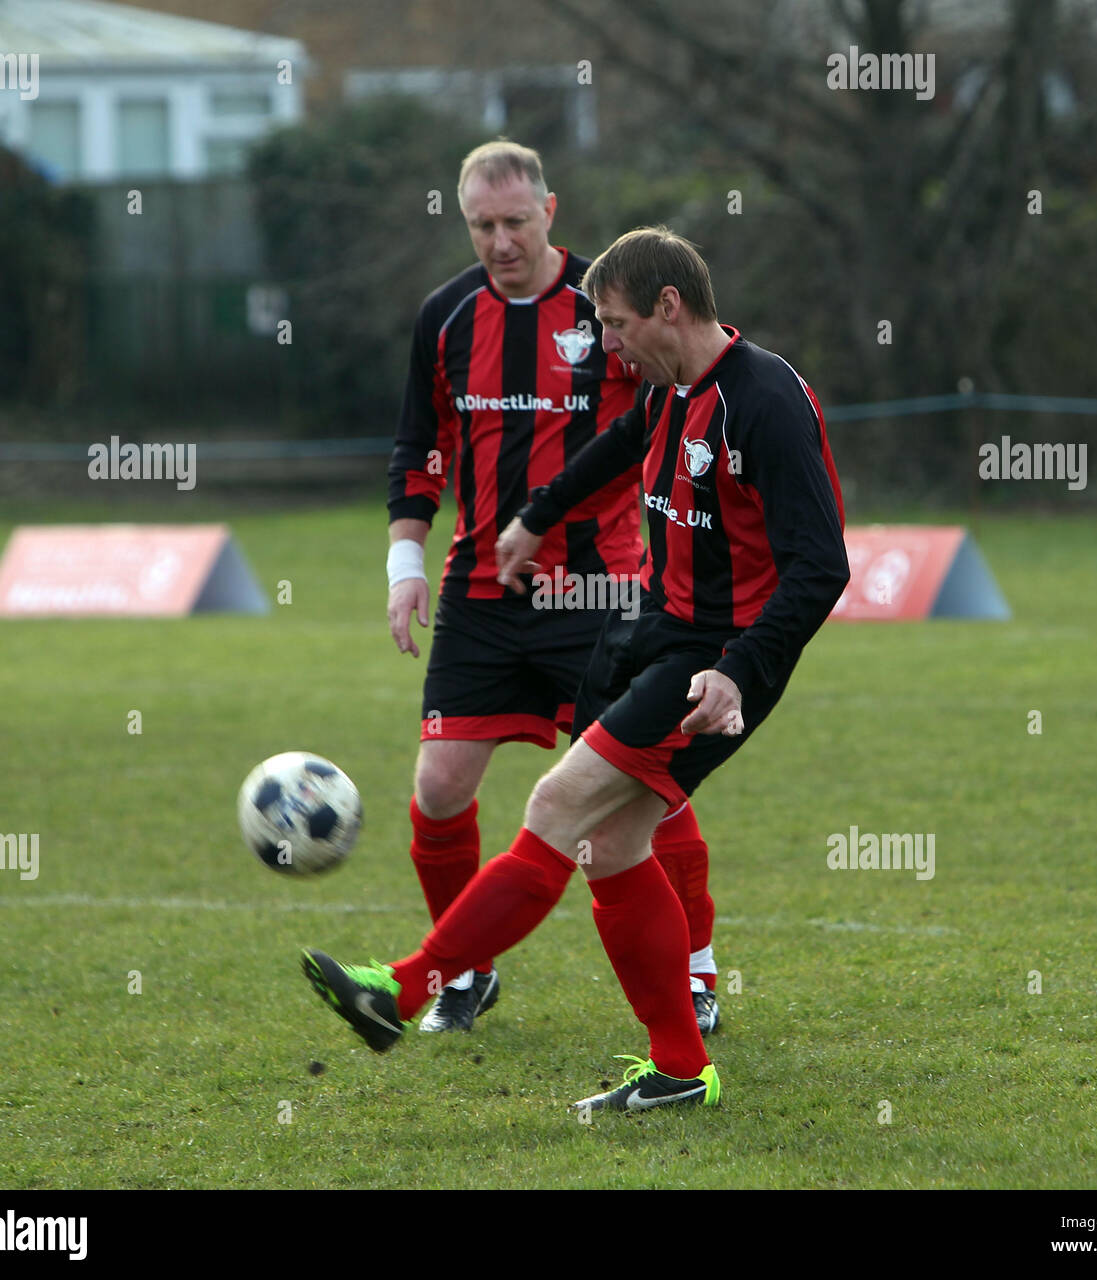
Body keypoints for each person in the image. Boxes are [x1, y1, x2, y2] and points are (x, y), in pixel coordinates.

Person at [304, 226, 849, 1112]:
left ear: (669, 307)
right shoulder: (672, 390)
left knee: (558, 806)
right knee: (612, 844)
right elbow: (614, 449)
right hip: (666, 640)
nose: (607, 342)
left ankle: (402, 991)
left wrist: (740, 672)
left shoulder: (766, 399)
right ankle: (679, 1066)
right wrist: (535, 517)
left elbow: (821, 565)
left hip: (714, 664)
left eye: (617, 321)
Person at [384, 142, 721, 1035]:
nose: (500, 241)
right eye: (482, 225)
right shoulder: (446, 316)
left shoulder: (606, 308)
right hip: (483, 591)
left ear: (550, 212)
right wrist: (404, 566)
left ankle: (695, 969)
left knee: (639, 784)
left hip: (600, 590)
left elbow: (667, 412)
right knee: (441, 784)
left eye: (515, 222)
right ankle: (464, 971)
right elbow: (418, 446)